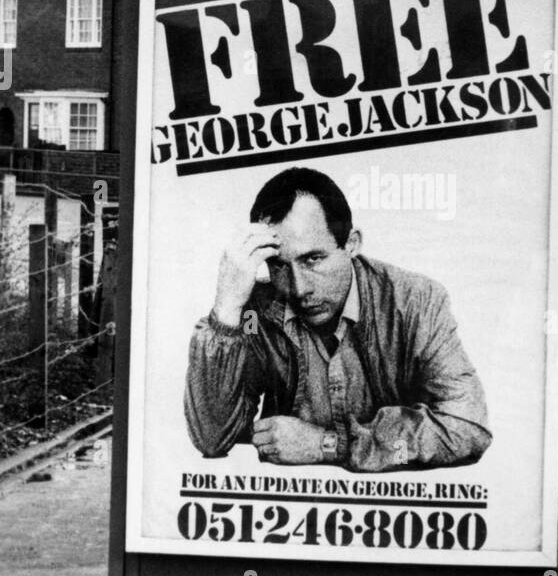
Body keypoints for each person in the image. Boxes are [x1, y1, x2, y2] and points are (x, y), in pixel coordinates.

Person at [184, 167, 492, 472]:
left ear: (351, 244)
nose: (300, 288)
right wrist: (226, 314)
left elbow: (467, 430)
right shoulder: (253, 316)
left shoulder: (416, 304)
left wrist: (330, 445)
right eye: (278, 266)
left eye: (313, 259)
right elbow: (213, 439)